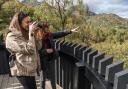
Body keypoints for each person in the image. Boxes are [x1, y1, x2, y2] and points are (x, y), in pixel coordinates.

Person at [35, 20, 78, 89]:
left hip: (51, 58)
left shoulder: (49, 35)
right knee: (43, 77)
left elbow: (60, 33)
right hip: (42, 60)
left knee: (52, 76)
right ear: (41, 29)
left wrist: (70, 31)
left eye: (47, 27)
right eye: (45, 27)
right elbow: (35, 52)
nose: (47, 28)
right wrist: (46, 51)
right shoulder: (36, 38)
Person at [5, 11, 41, 89]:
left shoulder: (25, 32)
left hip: (29, 69)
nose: (29, 24)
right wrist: (31, 33)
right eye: (27, 22)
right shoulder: (11, 36)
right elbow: (29, 50)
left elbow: (38, 48)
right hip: (22, 69)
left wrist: (37, 37)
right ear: (18, 23)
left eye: (30, 21)